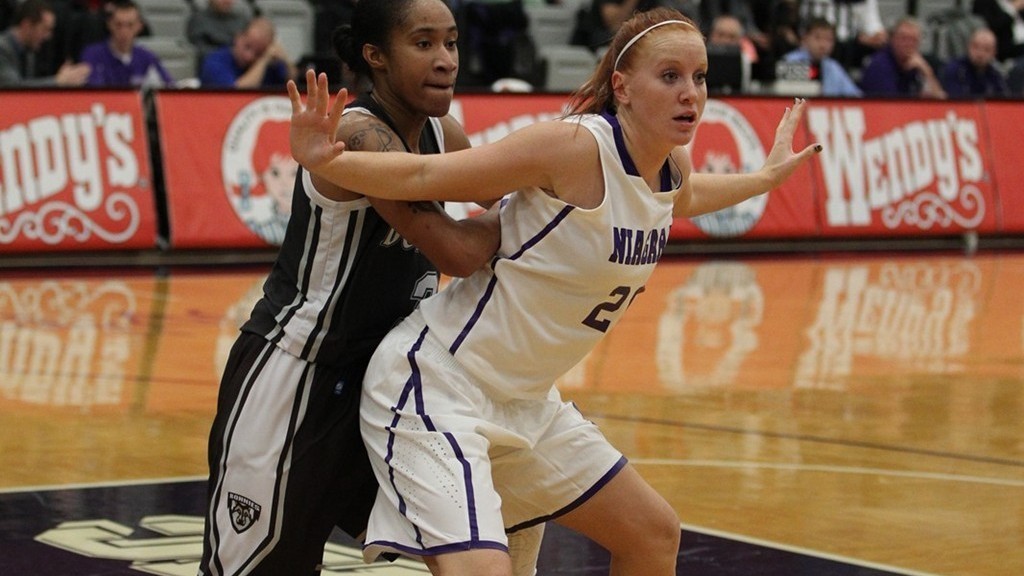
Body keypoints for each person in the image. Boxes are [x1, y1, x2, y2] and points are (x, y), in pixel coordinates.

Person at [288, 7, 820, 574]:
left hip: (526, 401)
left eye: (700, 77)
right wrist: (328, 161)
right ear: (623, 87)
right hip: (436, 386)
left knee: (653, 534)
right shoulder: (570, 149)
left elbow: (686, 199)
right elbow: (425, 177)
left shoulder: (669, 170)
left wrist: (763, 180)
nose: (691, 93)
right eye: (670, 76)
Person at [199, 0, 543, 574]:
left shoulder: (441, 131)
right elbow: (457, 250)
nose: (446, 61)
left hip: (389, 385)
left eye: (452, 43)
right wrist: (511, 219)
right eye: (424, 43)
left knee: (479, 538)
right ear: (375, 55)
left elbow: (514, 212)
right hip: (300, 378)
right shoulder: (360, 135)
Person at [78, 0, 174, 87]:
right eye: (119, 25)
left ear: (139, 26)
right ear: (109, 24)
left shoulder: (147, 58)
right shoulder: (93, 55)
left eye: (130, 25)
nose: (124, 31)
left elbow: (168, 87)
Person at [0, 0, 89, 87]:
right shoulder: (2, 49)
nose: (48, 36)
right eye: (45, 29)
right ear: (27, 25)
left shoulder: (28, 50)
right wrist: (58, 81)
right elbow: (12, 88)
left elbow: (28, 83)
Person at [859, 17, 947, 99]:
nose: (908, 44)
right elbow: (888, 107)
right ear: (892, 39)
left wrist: (927, 72)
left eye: (913, 40)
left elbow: (942, 103)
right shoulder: (879, 65)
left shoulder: (918, 64)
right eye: (903, 38)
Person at [199, 15, 296, 88]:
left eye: (258, 53)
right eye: (247, 47)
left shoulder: (269, 62)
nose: (249, 56)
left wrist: (284, 59)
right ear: (238, 37)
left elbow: (293, 82)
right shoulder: (215, 62)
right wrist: (262, 60)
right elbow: (237, 93)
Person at [783, 16, 862, 97]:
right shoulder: (790, 62)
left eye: (828, 39)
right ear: (805, 39)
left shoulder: (833, 67)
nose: (823, 45)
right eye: (818, 38)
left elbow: (856, 97)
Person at [940, 26, 1009, 98]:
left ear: (994, 53)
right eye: (976, 47)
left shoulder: (996, 75)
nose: (980, 54)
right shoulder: (954, 69)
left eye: (986, 49)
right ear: (968, 46)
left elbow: (1003, 100)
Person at [186, 0, 251, 66]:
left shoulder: (241, 20)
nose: (226, 1)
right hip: (213, 66)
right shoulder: (198, 20)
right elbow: (201, 53)